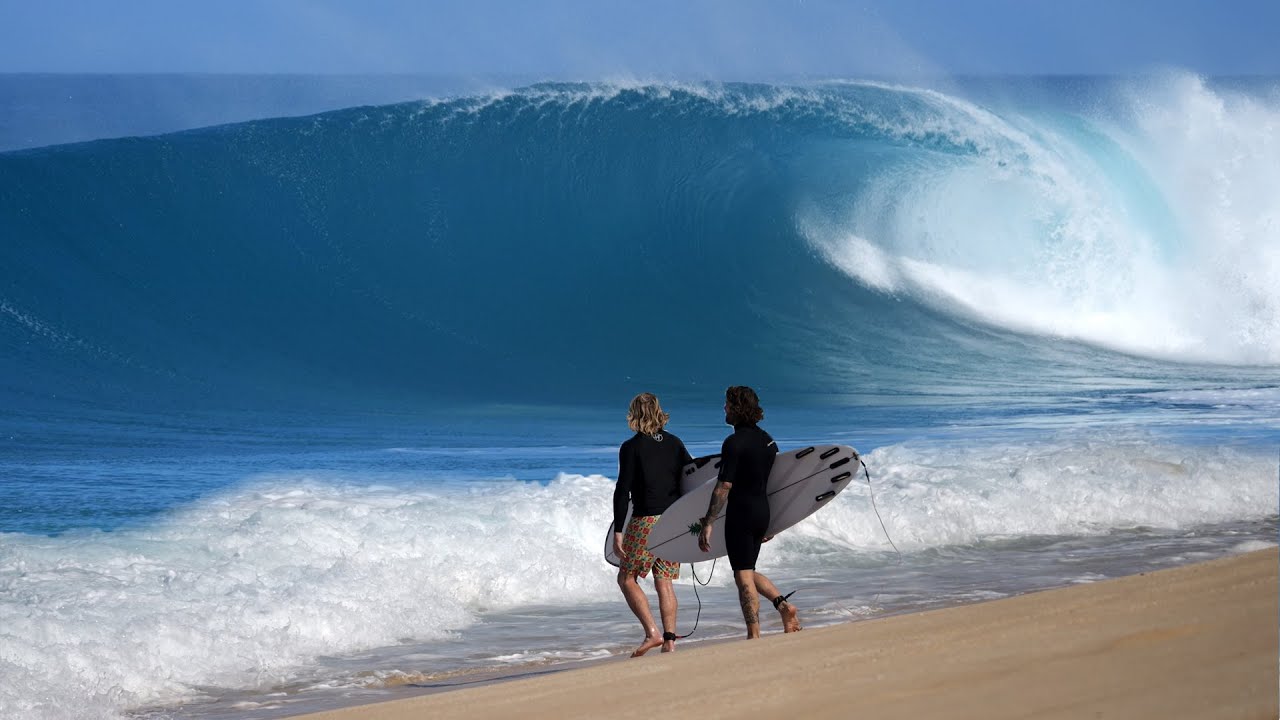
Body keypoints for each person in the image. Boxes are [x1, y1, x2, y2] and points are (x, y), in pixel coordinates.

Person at [697, 385, 801, 638]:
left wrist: (708, 522)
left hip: (741, 514)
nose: (724, 408)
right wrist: (774, 521)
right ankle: (784, 607)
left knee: (743, 576)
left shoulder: (734, 443)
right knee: (747, 569)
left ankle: (754, 634)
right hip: (762, 512)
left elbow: (724, 486)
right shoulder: (768, 440)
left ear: (737, 408)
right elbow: (775, 484)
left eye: (728, 404)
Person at [613, 392, 693, 656]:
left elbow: (622, 490)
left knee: (626, 577)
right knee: (664, 581)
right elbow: (692, 478)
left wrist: (618, 531)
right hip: (673, 519)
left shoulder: (631, 447)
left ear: (634, 414)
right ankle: (670, 641)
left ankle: (653, 633)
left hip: (646, 520)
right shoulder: (675, 443)